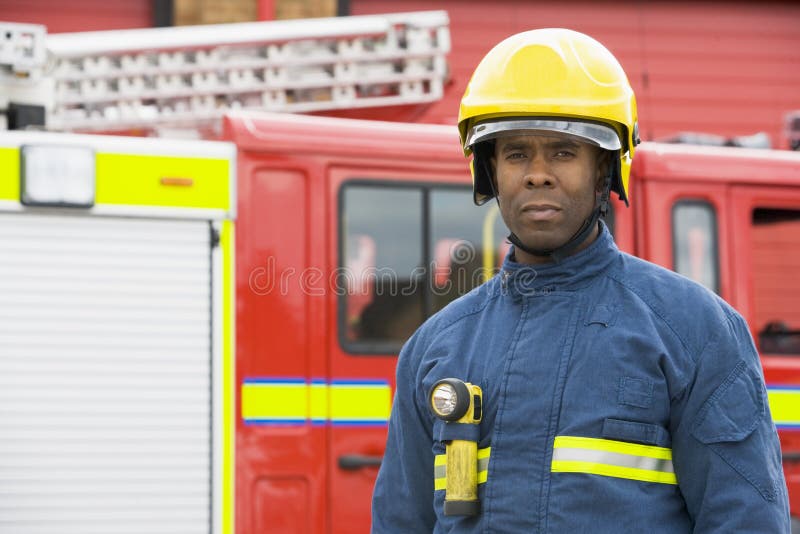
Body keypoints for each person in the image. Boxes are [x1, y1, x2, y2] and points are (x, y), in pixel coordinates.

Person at [371, 28, 790, 532]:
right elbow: (401, 521)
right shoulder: (435, 349)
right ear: (489, 171)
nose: (538, 174)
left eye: (564, 152)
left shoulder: (695, 332)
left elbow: (745, 520)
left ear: (605, 172)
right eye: (516, 153)